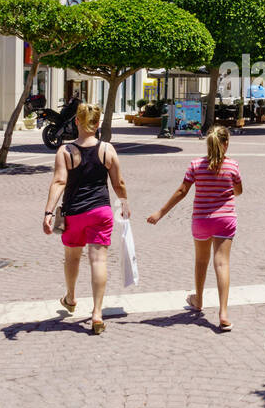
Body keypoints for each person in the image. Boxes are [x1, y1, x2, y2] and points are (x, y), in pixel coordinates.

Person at [42, 103, 129, 335]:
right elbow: (118, 183)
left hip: (74, 213)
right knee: (99, 261)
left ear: (76, 122)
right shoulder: (107, 150)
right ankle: (97, 313)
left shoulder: (65, 151)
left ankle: (70, 298)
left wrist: (49, 212)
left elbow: (59, 182)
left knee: (72, 258)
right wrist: (124, 203)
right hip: (100, 212)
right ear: (97, 123)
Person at [147, 126, 242, 331]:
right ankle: (223, 312)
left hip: (201, 219)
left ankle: (198, 299)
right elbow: (238, 190)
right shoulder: (232, 166)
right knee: (222, 264)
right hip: (225, 220)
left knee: (201, 261)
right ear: (226, 144)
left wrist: (160, 213)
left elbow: (182, 191)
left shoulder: (196, 165)